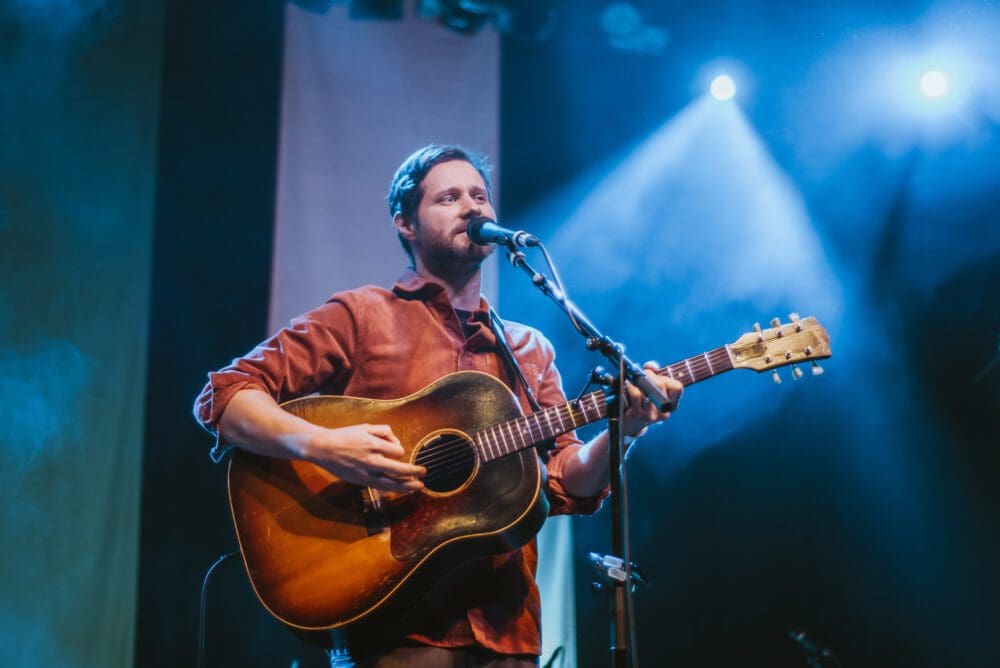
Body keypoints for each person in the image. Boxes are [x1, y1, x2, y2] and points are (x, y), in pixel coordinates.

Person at [193, 144, 683, 667]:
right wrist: (327, 446)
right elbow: (224, 394)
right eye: (449, 197)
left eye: (479, 196)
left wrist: (624, 429)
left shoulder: (527, 349)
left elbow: (566, 483)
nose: (473, 208)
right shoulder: (362, 317)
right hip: (393, 629)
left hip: (507, 634)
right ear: (406, 223)